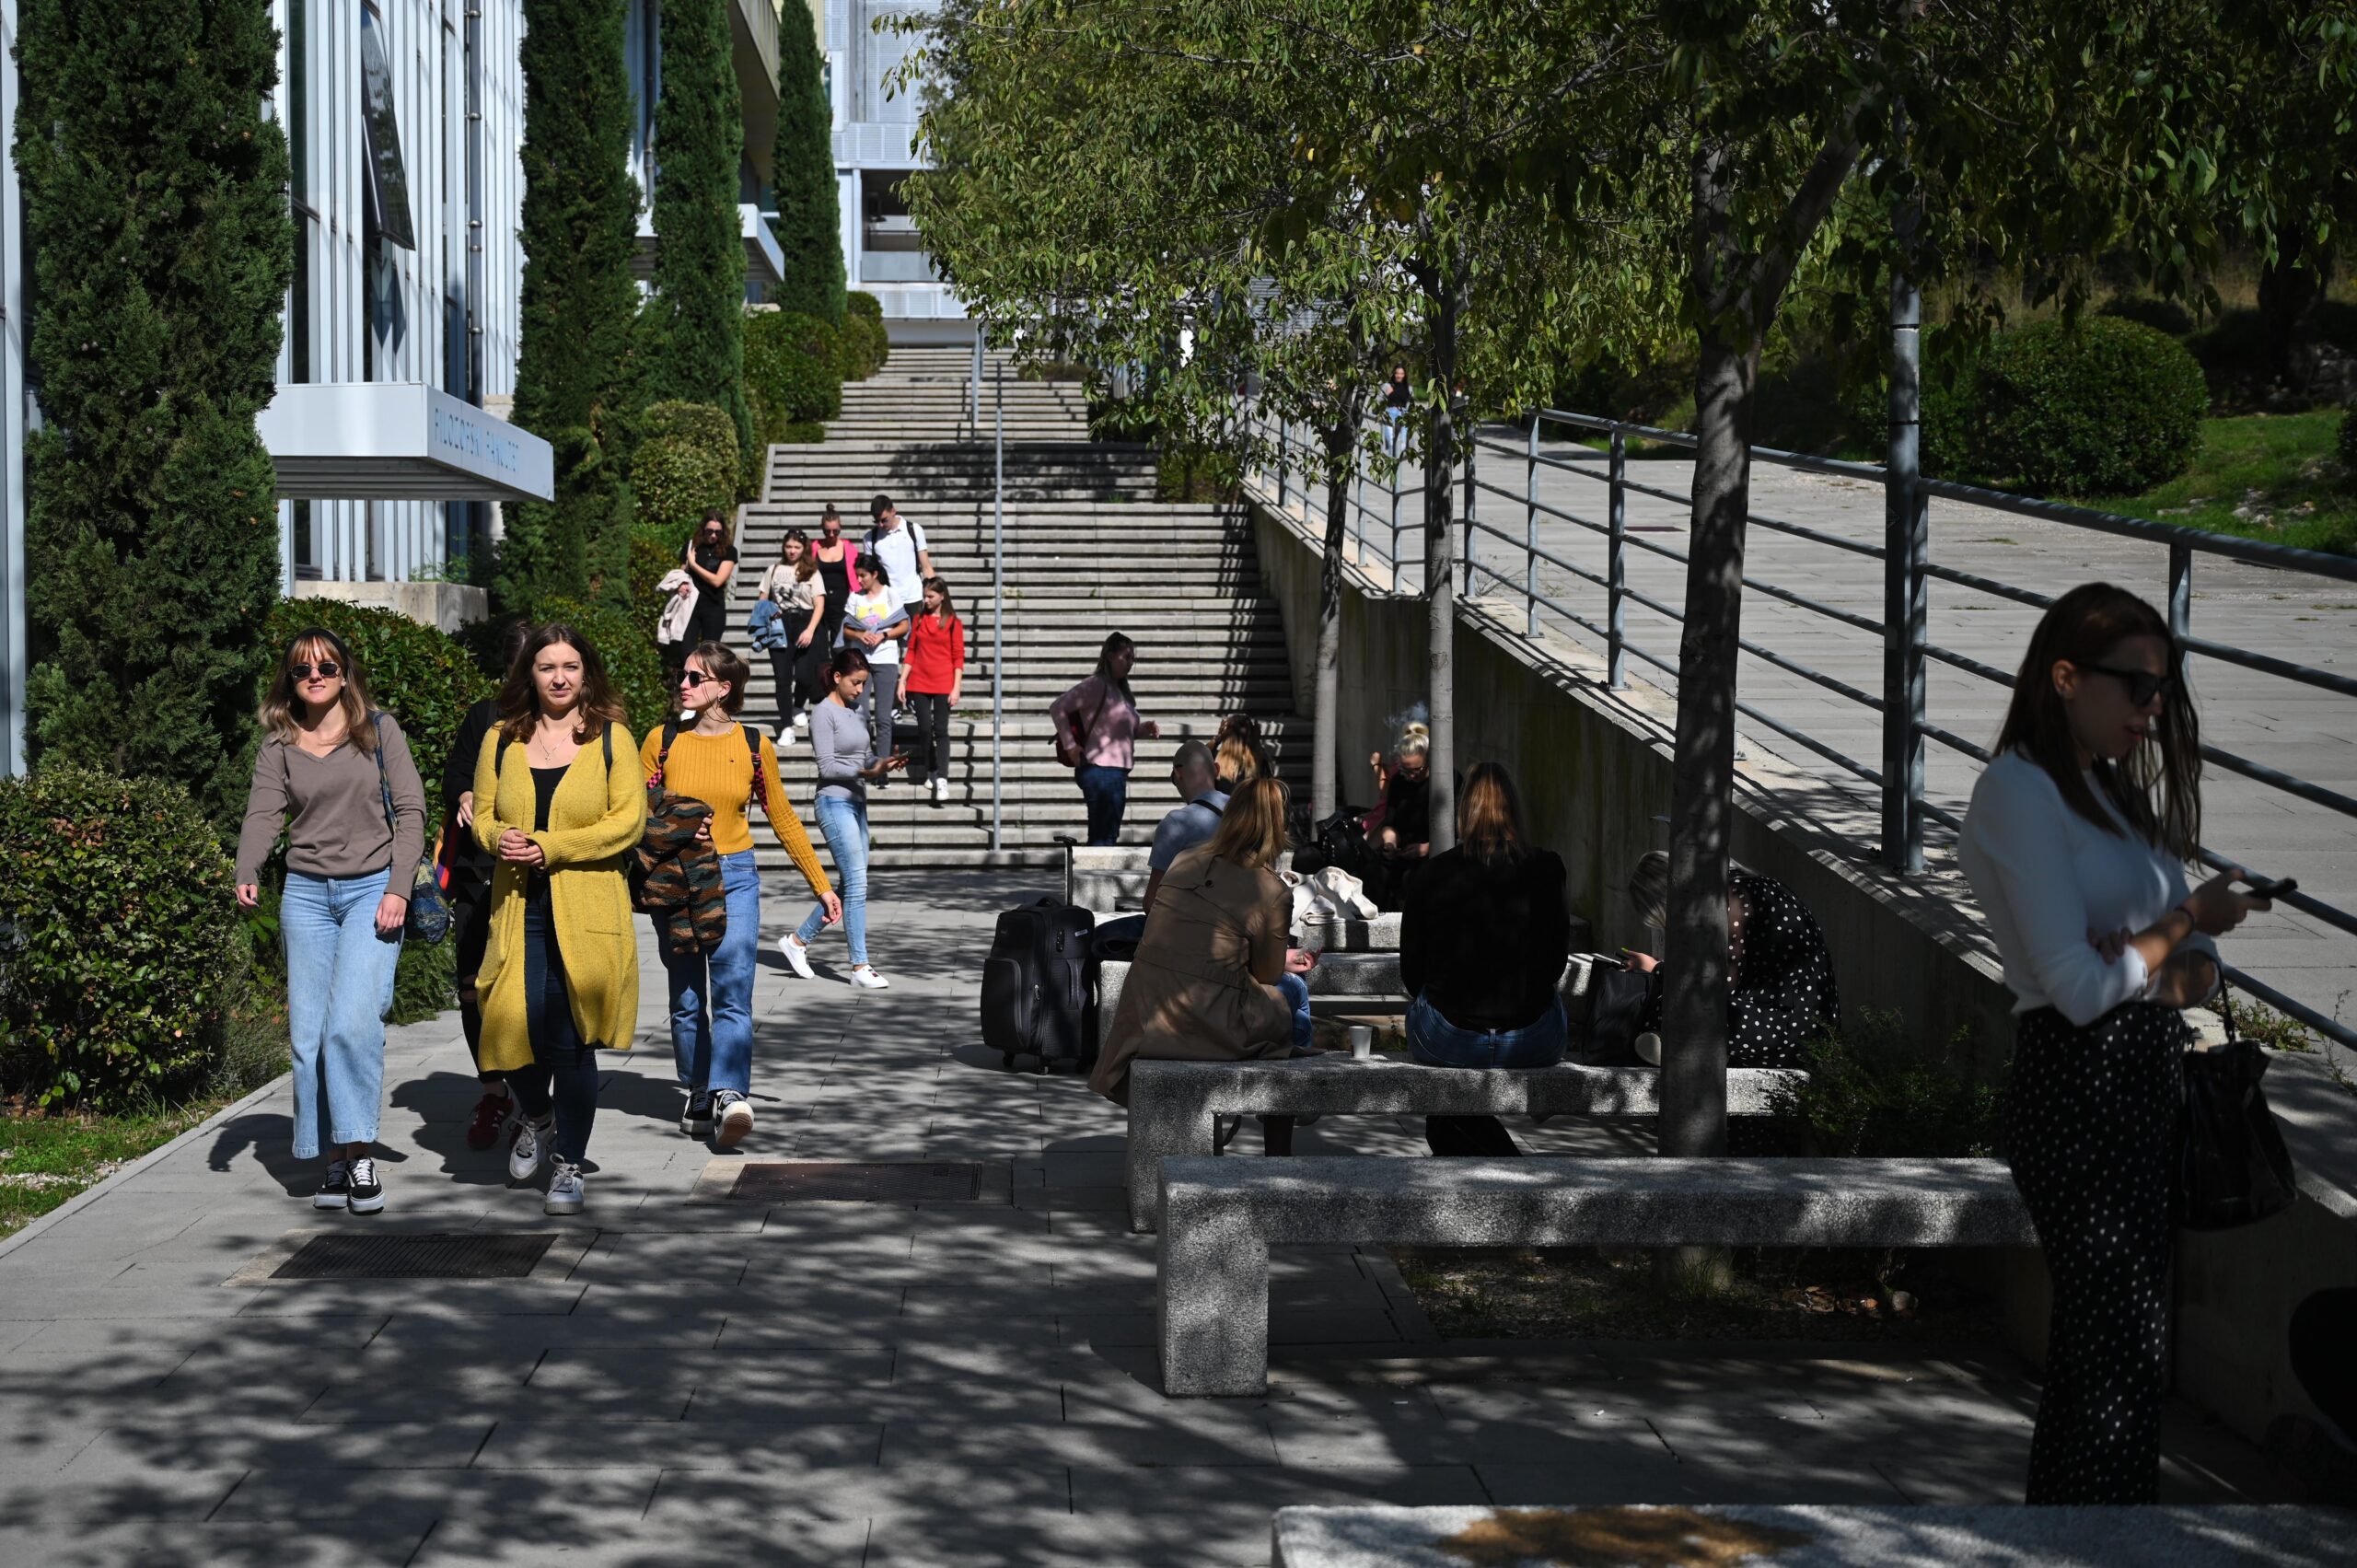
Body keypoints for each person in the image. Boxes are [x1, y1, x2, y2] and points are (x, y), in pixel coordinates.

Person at [1956, 581, 2267, 1505]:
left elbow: (2200, 972)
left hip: (2138, 1076)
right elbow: (2083, 991)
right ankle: (2092, 1538)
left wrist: (2162, 945)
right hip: (2076, 1087)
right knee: (2108, 1352)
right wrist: (2179, 920)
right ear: (2064, 676)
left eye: (2161, 690)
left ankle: (2087, 1537)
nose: (2152, 709)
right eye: (2135, 687)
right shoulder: (2017, 788)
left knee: (2123, 1356)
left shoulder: (2110, 791)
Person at [237, 627, 428, 1214]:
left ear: (345, 674)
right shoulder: (279, 745)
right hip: (306, 898)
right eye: (302, 669)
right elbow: (263, 814)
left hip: (373, 890)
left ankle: (360, 1151)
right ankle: (333, 1163)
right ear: (289, 681)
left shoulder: (378, 731)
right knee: (310, 1035)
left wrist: (399, 888)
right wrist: (248, 867)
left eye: (326, 666)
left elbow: (414, 811)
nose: (314, 676)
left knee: (351, 1023)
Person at [470, 624, 644, 1215]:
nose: (560, 677)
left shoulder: (613, 739)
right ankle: (537, 1117)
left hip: (587, 907)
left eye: (571, 666)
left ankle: (569, 1162)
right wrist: (502, 839)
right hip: (517, 906)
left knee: (568, 1038)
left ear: (587, 673)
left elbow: (627, 823)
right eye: (548, 667)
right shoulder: (501, 738)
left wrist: (552, 847)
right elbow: (483, 817)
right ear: (531, 675)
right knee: (506, 1024)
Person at [644, 643, 842, 1147]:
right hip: (677, 879)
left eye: (694, 677)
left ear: (723, 688)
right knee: (687, 997)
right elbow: (633, 813)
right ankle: (697, 1090)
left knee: (733, 991)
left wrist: (820, 884)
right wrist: (676, 830)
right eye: (682, 675)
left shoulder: (754, 744)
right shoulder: (662, 742)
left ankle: (730, 1092)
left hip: (736, 876)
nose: (683, 683)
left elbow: (781, 816)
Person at [1089, 780, 1318, 1139]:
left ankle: (1287, 1103)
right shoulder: (1272, 890)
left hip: (1144, 1014)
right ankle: (1286, 1114)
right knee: (1292, 991)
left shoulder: (1185, 859)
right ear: (1278, 826)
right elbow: (1268, 975)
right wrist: (1279, 960)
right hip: (1204, 1017)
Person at [1399, 763, 1572, 1157]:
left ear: (1464, 812)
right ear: (1514, 809)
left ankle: (1485, 1155)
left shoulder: (1432, 873)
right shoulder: (1547, 868)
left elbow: (1412, 973)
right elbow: (1556, 963)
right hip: (1533, 1039)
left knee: (1444, 1111)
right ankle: (1495, 1158)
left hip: (1448, 1038)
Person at [1621, 850, 1836, 1071]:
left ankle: (1690, 1048)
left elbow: (1717, 986)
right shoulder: (1745, 885)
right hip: (1799, 1022)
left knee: (1671, 1005)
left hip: (1790, 1033)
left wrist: (1657, 969)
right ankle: (1691, 1047)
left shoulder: (1732, 900)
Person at [444, 619, 532, 1151]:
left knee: (531, 991)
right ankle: (494, 1091)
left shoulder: (561, 721)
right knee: (473, 988)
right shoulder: (485, 716)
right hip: (480, 873)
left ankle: (536, 1096)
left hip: (534, 874)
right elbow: (457, 770)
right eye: (518, 672)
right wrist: (462, 795)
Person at [780, 647, 907, 989]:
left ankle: (797, 941)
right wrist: (867, 768)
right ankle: (859, 966)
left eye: (864, 684)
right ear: (837, 678)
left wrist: (883, 763)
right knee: (858, 883)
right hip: (833, 803)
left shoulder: (856, 712)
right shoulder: (823, 713)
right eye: (855, 682)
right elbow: (827, 765)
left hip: (856, 802)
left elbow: (864, 756)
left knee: (852, 883)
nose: (860, 690)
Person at [1051, 632, 1161, 847]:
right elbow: (1058, 707)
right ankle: (1092, 879)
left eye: (1133, 659)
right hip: (1099, 769)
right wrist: (1070, 745)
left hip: (1115, 772)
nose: (1130, 663)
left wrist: (1144, 728)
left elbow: (1123, 732)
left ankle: (1093, 878)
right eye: (1126, 657)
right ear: (1110, 655)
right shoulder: (1097, 684)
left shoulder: (1121, 691)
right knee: (1104, 836)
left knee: (1107, 834)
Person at [839, 554, 911, 772]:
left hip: (886, 660)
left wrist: (883, 636)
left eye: (863, 576)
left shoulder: (891, 595)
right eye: (858, 576)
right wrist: (861, 635)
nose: (859, 580)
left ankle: (883, 767)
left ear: (875, 574)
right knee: (860, 714)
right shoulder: (855, 598)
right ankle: (862, 761)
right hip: (861, 663)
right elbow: (846, 628)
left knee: (883, 717)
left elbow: (904, 625)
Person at [753, 528, 827, 741]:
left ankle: (798, 705)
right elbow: (763, 597)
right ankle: (786, 726)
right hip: (779, 623)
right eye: (788, 546)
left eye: (796, 547)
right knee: (782, 678)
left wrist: (811, 629)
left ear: (804, 548)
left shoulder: (812, 571)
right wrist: (766, 616)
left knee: (805, 674)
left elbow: (819, 603)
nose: (792, 551)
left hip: (805, 621)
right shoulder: (774, 570)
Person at [901, 575, 966, 806]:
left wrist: (956, 687)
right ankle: (930, 768)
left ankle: (942, 778)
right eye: (925, 596)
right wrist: (902, 681)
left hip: (943, 683)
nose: (926, 600)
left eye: (930, 596)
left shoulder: (953, 623)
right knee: (924, 729)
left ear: (942, 596)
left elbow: (958, 656)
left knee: (941, 730)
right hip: (919, 681)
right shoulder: (918, 620)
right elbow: (911, 652)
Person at [864, 493, 933, 631]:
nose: (881, 525)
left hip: (913, 598)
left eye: (884, 520)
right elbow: (869, 574)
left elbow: (926, 567)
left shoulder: (914, 530)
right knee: (890, 645)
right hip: (887, 600)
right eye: (877, 521)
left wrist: (932, 595)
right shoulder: (870, 537)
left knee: (918, 644)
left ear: (893, 511)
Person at [1369, 722, 1434, 859]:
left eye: (1417, 770)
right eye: (1405, 770)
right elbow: (1389, 824)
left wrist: (1426, 848)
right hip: (1402, 853)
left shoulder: (1446, 782)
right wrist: (1390, 842)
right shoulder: (1399, 781)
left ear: (1429, 760)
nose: (1410, 776)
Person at [681, 508, 739, 653]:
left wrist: (694, 564)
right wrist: (681, 584)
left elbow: (717, 581)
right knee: (686, 651)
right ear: (703, 530)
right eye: (709, 531)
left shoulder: (729, 551)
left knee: (710, 653)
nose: (713, 535)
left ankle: (707, 676)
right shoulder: (692, 547)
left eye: (718, 532)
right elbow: (682, 572)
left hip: (713, 606)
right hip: (690, 604)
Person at [810, 504, 860, 660]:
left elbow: (857, 575)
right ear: (822, 529)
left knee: (840, 650)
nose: (831, 535)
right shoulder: (814, 547)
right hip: (819, 605)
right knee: (820, 652)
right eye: (827, 531)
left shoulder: (849, 547)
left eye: (835, 531)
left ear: (841, 528)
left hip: (842, 606)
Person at [1213, 714, 1269, 795]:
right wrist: (1256, 741)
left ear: (1225, 736)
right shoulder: (1260, 762)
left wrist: (1217, 739)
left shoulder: (1215, 760)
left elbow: (1201, 754)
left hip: (1220, 806)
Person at [1380, 365, 1411, 458]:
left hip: (1403, 414)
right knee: (1390, 440)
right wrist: (1386, 393)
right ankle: (1391, 459)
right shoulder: (1388, 386)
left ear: (1404, 375)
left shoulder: (1408, 388)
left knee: (1402, 441)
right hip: (1390, 412)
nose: (1399, 375)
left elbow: (1410, 404)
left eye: (1401, 373)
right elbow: (1378, 401)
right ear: (1394, 374)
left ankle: (1399, 462)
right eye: (1397, 373)